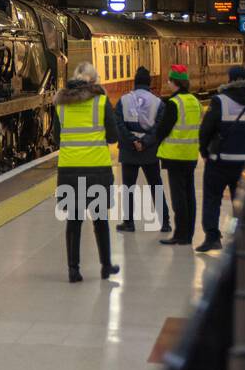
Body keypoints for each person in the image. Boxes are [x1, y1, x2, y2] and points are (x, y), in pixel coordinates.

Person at [53, 62, 121, 282]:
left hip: (69, 169)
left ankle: (73, 270)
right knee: (100, 220)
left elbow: (56, 138)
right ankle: (106, 266)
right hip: (97, 170)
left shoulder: (60, 104)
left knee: (74, 221)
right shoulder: (101, 102)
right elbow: (113, 137)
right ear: (93, 81)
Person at [195, 66, 245, 252]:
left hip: (220, 162)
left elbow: (205, 130)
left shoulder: (219, 101)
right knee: (241, 202)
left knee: (212, 199)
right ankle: (243, 238)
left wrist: (204, 152)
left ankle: (212, 237)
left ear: (230, 79)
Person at [115, 66, 169, 233]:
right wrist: (144, 142)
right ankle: (165, 222)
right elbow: (159, 128)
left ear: (134, 82)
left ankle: (129, 223)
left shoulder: (123, 100)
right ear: (149, 83)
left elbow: (119, 125)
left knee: (128, 188)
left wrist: (133, 141)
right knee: (156, 186)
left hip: (129, 151)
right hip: (149, 152)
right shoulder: (158, 102)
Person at [155, 63, 201, 246]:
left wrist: (154, 142)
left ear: (174, 83)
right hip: (190, 156)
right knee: (190, 195)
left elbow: (163, 129)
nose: (167, 83)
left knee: (178, 197)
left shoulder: (173, 103)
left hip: (175, 156)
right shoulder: (195, 102)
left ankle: (180, 234)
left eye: (169, 80)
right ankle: (188, 233)